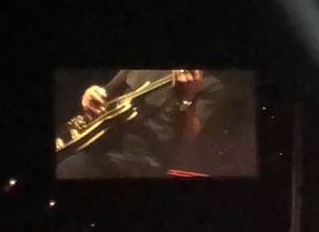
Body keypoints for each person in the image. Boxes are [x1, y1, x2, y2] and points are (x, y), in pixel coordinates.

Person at [57, 68, 229, 179]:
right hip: (103, 149)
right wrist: (90, 94)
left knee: (71, 169)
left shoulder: (211, 86)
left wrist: (186, 99)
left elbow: (189, 137)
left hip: (145, 163)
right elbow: (105, 94)